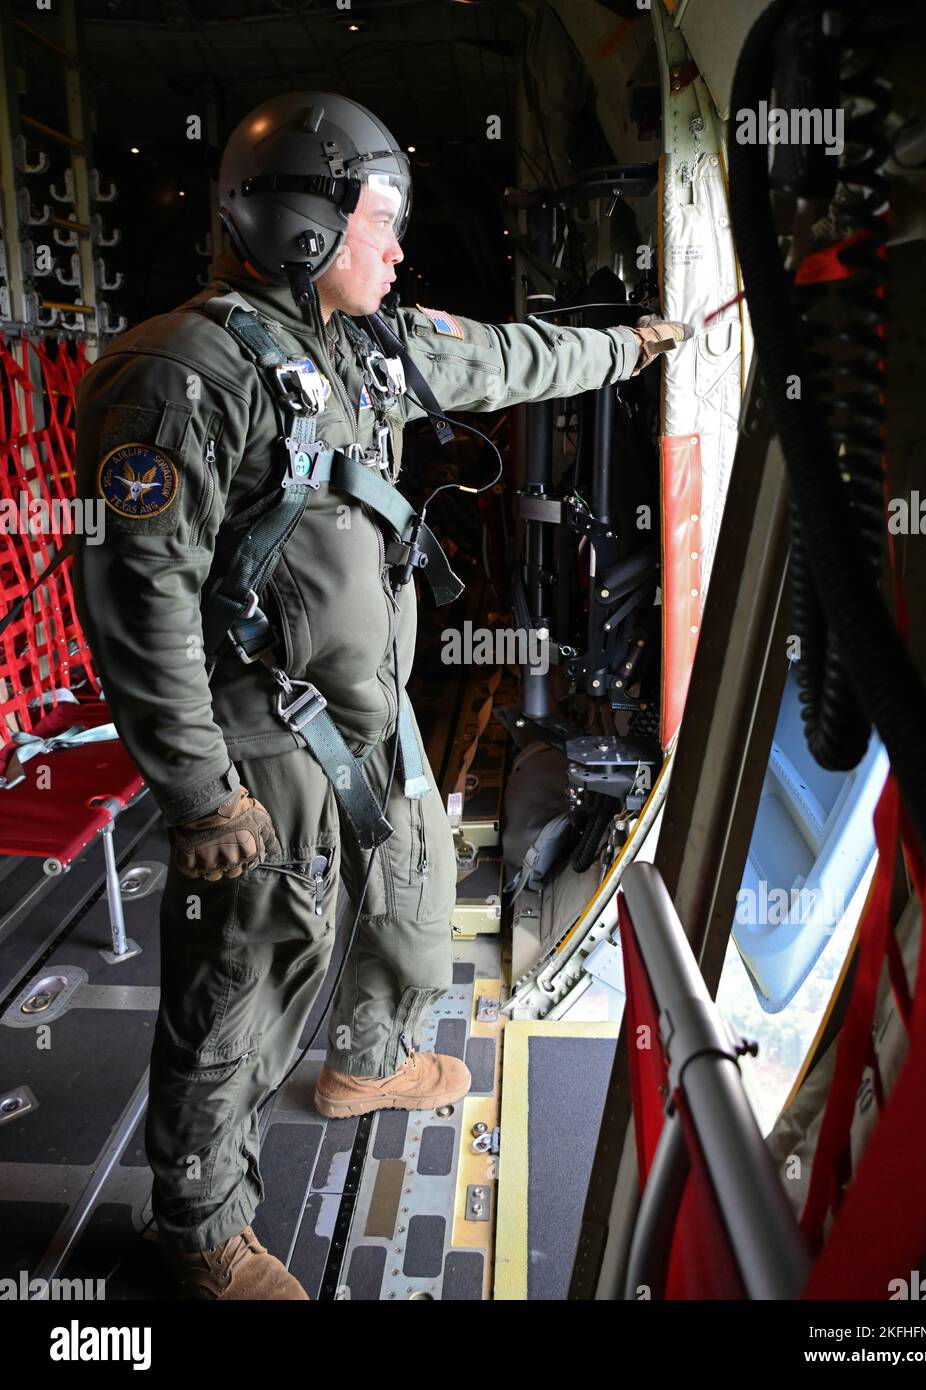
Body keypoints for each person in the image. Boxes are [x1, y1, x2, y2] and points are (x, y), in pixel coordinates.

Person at [72, 91, 687, 1300]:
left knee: (409, 889)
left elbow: (504, 355)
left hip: (370, 706)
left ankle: (367, 1059)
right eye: (381, 221)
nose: (398, 248)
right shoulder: (176, 375)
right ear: (304, 223)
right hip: (263, 727)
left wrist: (627, 346)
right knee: (249, 964)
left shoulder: (363, 345)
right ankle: (198, 1223)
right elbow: (138, 599)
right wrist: (201, 795)